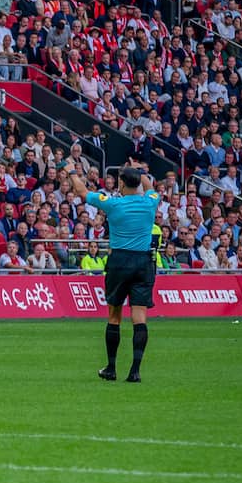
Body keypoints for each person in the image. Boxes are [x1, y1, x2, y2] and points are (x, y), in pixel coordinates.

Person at [69, 164, 160, 383]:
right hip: (143, 262)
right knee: (139, 318)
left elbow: (82, 192)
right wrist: (140, 172)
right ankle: (135, 371)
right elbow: (151, 186)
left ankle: (111, 368)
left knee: (114, 315)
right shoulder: (150, 202)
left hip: (119, 261)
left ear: (121, 183)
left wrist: (72, 171)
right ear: (139, 182)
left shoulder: (113, 203)